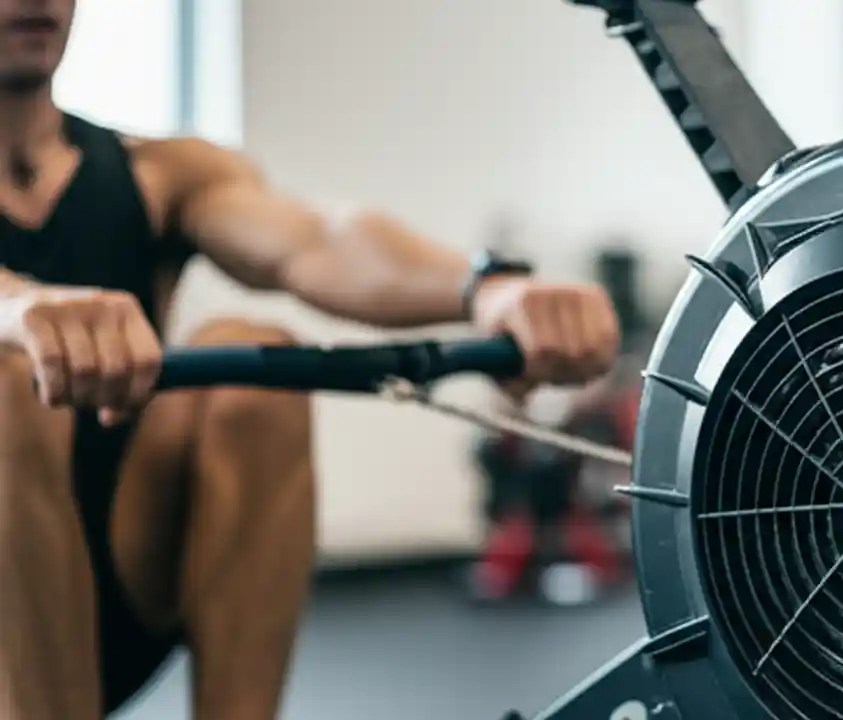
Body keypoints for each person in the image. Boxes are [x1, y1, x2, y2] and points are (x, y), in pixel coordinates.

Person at [0, 2, 620, 719]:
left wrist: (490, 289)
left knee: (249, 359)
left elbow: (315, 240)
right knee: (8, 380)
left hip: (119, 584)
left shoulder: (155, 173)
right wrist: (16, 308)